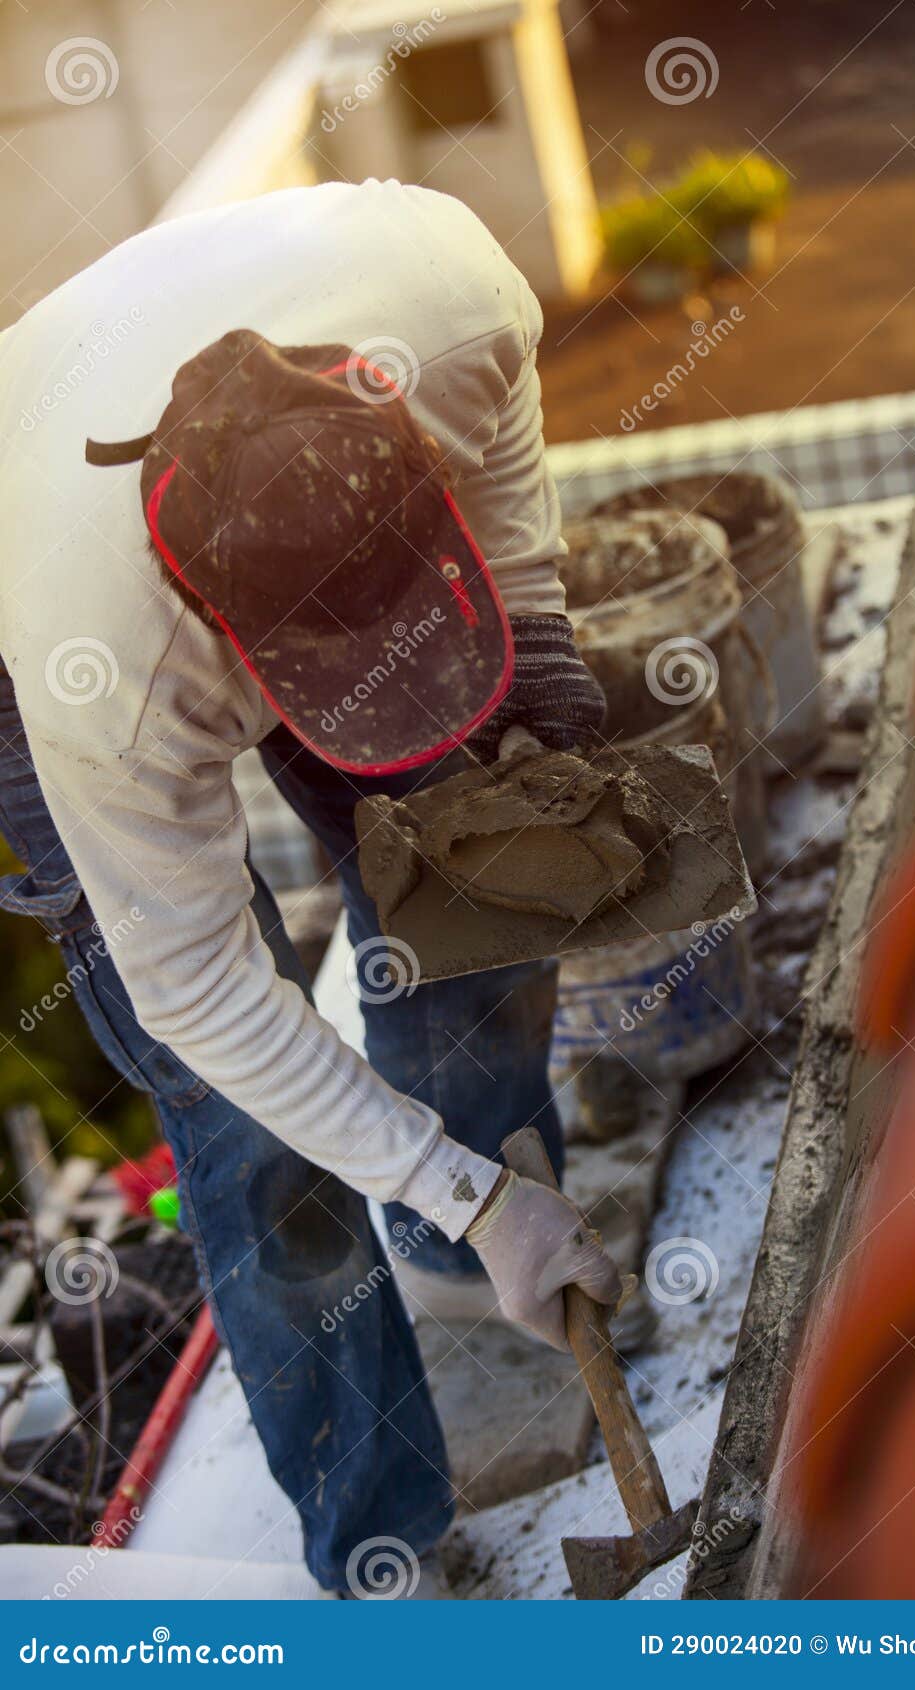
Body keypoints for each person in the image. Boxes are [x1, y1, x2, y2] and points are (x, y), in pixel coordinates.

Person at [0, 180, 622, 1594]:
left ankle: (468, 1259)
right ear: (220, 630)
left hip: (244, 495)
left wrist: (529, 626)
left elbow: (506, 451)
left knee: (468, 833)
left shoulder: (452, 305)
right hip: (31, 602)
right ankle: (382, 1533)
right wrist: (472, 1192)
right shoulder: (107, 681)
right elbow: (201, 992)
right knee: (241, 1126)